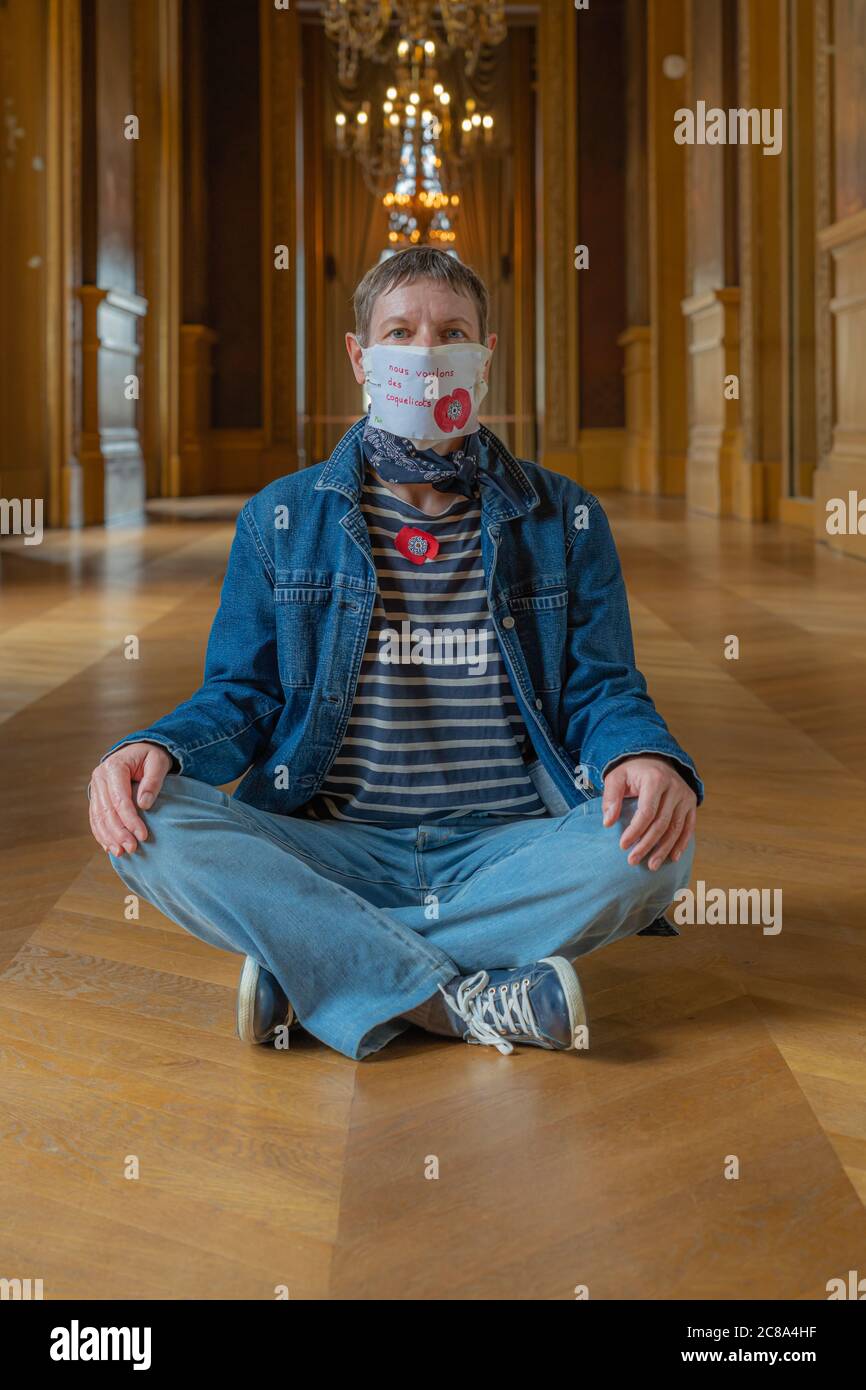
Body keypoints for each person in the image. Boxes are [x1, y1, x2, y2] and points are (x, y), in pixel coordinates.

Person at [87, 246, 701, 1061]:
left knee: (659, 847)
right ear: (360, 356)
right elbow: (245, 693)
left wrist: (643, 755)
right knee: (147, 818)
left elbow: (602, 688)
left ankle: (321, 967)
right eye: (400, 332)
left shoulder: (565, 517)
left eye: (451, 332)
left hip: (505, 847)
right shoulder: (282, 517)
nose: (424, 352)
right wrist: (155, 746)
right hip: (334, 845)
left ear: (486, 355)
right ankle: (464, 1000)